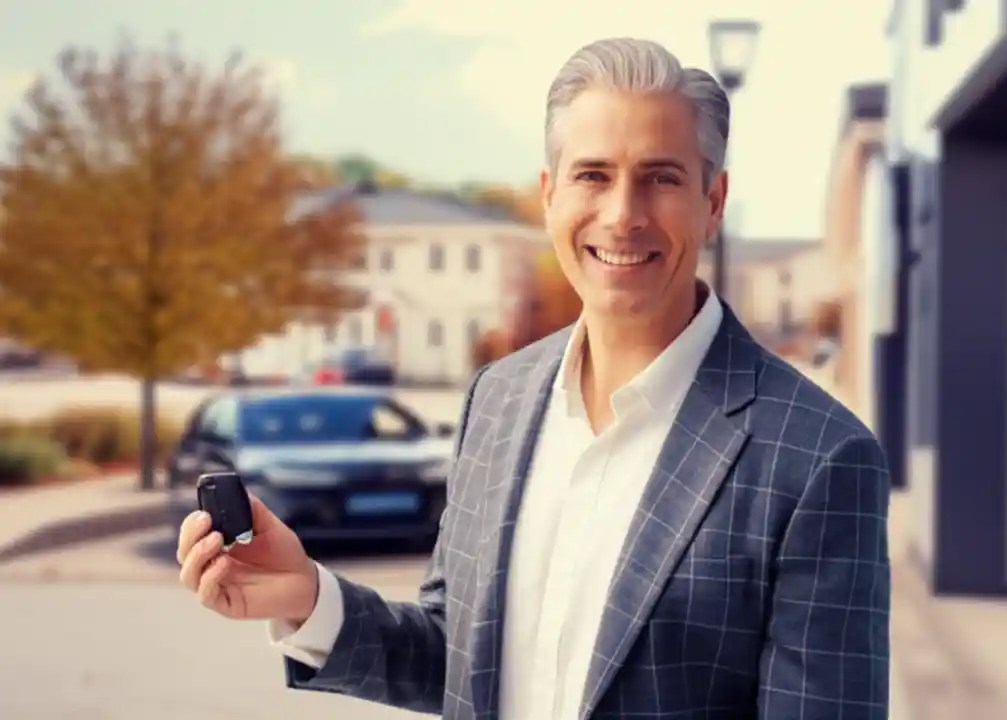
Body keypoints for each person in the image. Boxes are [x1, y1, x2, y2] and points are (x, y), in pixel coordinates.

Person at [176, 37, 891, 720]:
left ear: (713, 201)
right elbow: (462, 658)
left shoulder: (819, 461)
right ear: (549, 195)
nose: (622, 215)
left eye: (661, 178)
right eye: (593, 175)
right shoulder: (500, 399)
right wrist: (307, 598)